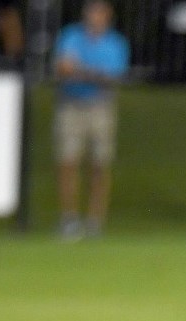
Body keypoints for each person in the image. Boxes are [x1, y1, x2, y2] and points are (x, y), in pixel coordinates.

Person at [54, 0, 129, 240]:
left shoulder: (116, 43)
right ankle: (69, 219)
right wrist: (92, 74)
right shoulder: (71, 36)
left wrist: (80, 72)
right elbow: (63, 68)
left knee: (100, 164)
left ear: (108, 16)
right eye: (92, 12)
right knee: (68, 161)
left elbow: (112, 77)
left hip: (101, 107)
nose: (96, 17)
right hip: (71, 105)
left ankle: (95, 221)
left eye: (100, 13)